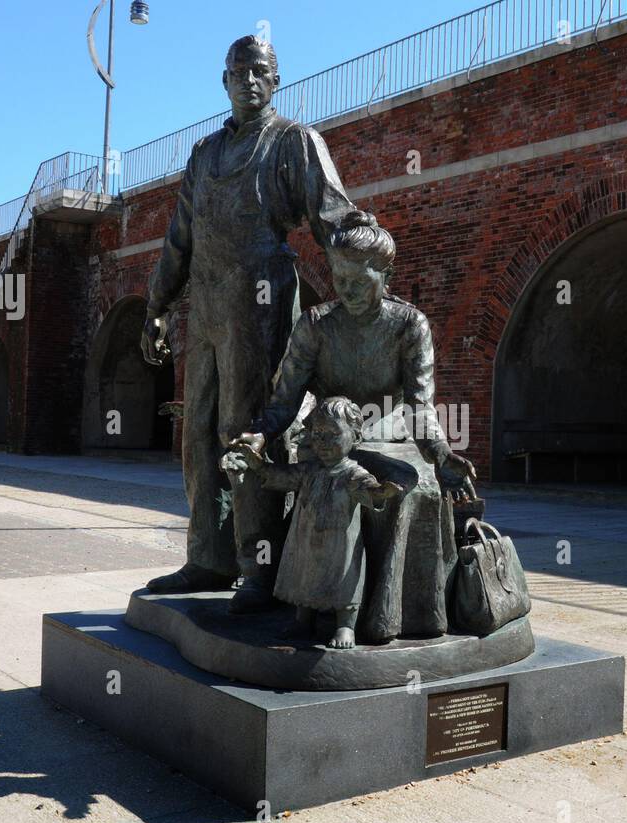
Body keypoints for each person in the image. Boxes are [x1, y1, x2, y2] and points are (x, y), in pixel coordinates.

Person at [139, 35, 371, 613]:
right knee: (197, 436)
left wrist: (366, 283)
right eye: (238, 72)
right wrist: (158, 306)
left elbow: (336, 217)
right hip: (209, 309)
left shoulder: (294, 143)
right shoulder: (204, 154)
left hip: (261, 305)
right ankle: (207, 556)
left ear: (276, 80)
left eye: (260, 72)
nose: (249, 80)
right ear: (223, 81)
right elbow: (179, 240)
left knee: (247, 434)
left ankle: (258, 567)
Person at [232, 215, 476, 641]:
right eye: (339, 280)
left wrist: (440, 454)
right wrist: (258, 436)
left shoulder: (409, 326)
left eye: (359, 281)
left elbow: (420, 406)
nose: (347, 291)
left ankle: (393, 617)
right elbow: (283, 402)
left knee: (413, 490)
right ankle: (313, 603)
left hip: (391, 436)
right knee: (321, 483)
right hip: (328, 440)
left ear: (386, 274)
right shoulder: (315, 325)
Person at [221, 397, 403, 648]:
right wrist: (256, 463)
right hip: (304, 540)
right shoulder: (308, 470)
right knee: (302, 577)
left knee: (344, 580)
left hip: (340, 545)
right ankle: (302, 620)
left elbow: (369, 489)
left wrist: (381, 492)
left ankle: (345, 625)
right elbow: (277, 476)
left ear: (356, 437)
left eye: (332, 434)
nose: (324, 441)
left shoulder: (353, 473)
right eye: (317, 434)